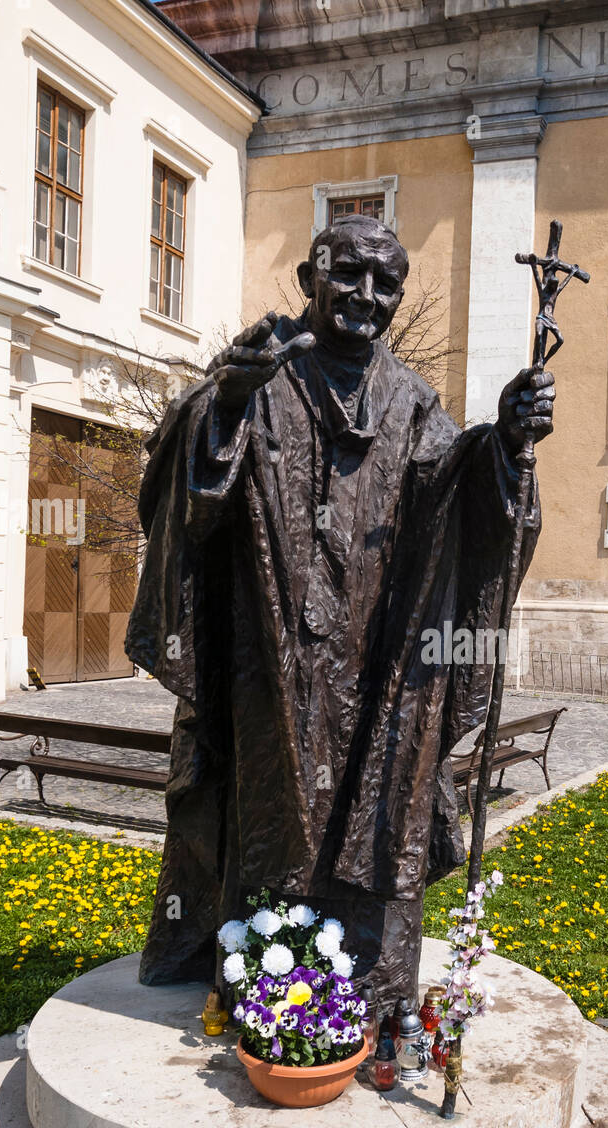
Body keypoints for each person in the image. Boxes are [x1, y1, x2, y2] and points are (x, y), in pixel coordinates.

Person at [126, 215, 555, 1012]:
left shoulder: (412, 401)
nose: (366, 295)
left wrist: (505, 442)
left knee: (377, 808)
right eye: (348, 274)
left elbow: (458, 501)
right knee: (272, 813)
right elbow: (183, 485)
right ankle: (264, 989)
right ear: (307, 277)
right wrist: (222, 406)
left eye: (385, 282)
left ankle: (362, 989)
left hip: (379, 662)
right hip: (270, 654)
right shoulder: (262, 369)